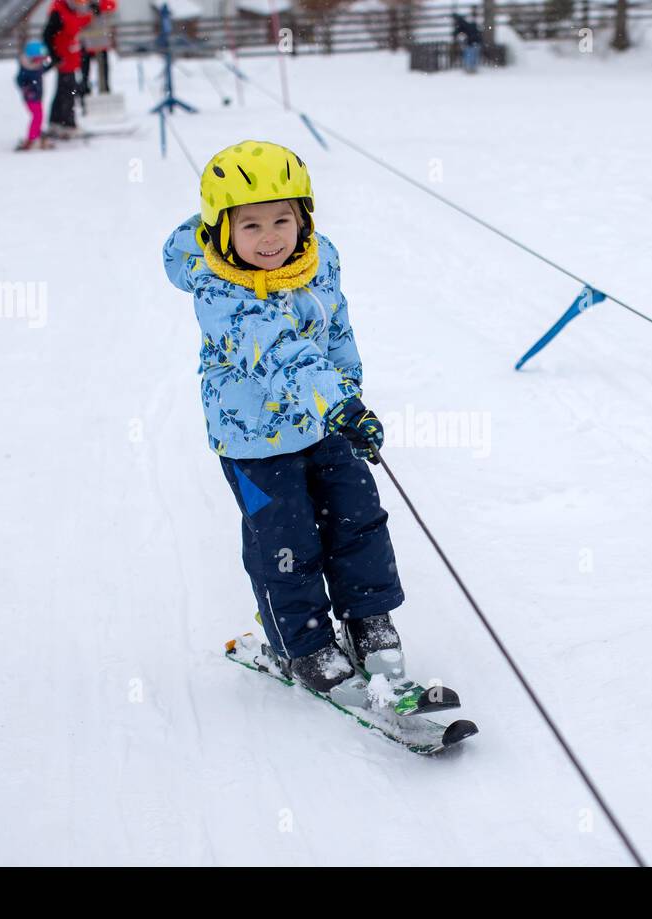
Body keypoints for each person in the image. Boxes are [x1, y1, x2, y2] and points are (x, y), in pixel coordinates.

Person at [161, 141, 407, 693]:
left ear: (304, 218)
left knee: (359, 519)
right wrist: (336, 403)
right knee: (286, 541)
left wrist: (351, 399)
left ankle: (370, 619)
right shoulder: (220, 287)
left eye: (282, 220)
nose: (270, 238)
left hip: (325, 424)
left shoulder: (321, 260)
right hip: (254, 444)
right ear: (223, 231)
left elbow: (336, 333)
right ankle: (304, 641)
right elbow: (276, 354)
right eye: (250, 227)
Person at [43, 0, 93, 136]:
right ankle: (67, 124)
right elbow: (47, 36)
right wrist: (55, 57)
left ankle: (56, 122)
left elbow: (80, 22)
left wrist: (93, 13)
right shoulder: (58, 13)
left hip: (71, 59)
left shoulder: (72, 12)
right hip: (63, 60)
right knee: (68, 92)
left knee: (63, 91)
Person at [14, 41, 54, 151]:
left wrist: (54, 64)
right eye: (39, 59)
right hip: (31, 97)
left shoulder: (37, 66)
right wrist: (27, 89)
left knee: (39, 116)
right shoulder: (26, 68)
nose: (41, 62)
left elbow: (44, 69)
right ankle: (32, 138)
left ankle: (36, 133)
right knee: (37, 116)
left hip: (38, 96)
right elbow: (19, 80)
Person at [81, 0, 117, 96]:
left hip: (101, 39)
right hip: (87, 40)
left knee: (103, 68)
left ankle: (104, 89)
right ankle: (85, 89)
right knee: (85, 69)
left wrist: (100, 7)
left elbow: (111, 6)